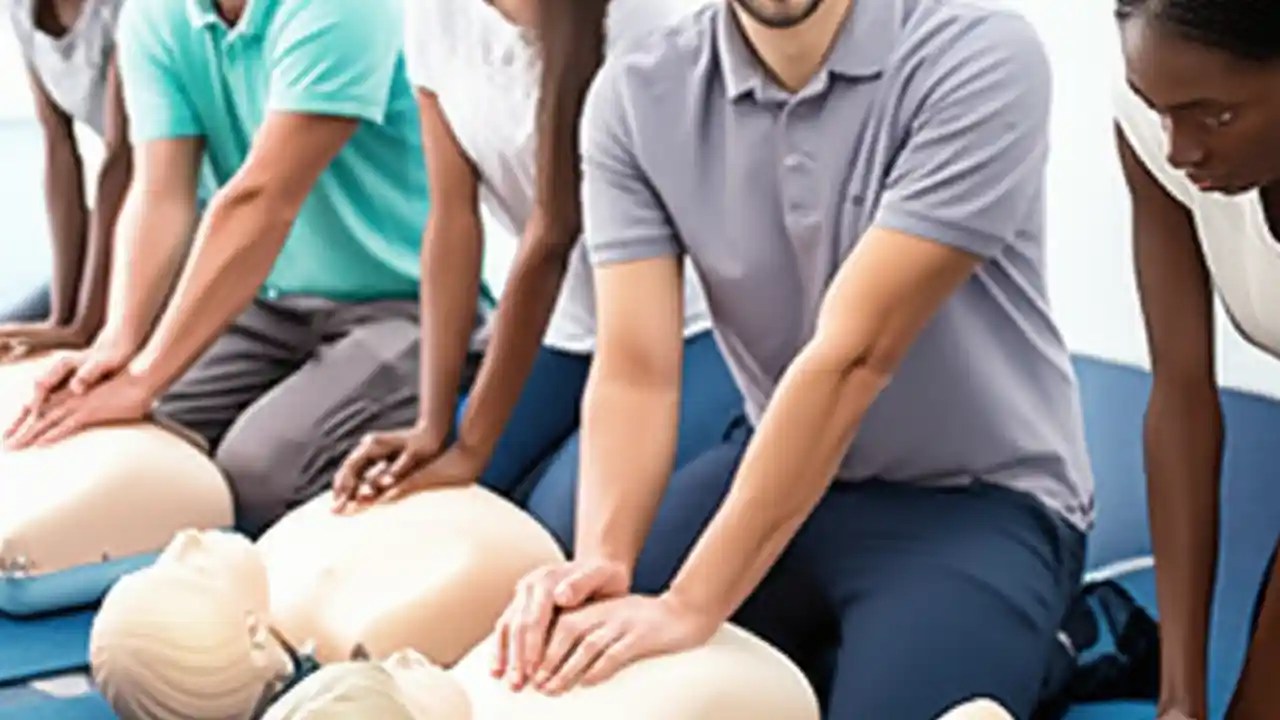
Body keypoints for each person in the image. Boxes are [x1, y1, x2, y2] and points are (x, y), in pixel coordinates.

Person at [488, 0, 1097, 718]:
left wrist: (690, 604)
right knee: (573, 673)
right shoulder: (636, 95)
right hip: (773, 466)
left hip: (976, 498)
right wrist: (600, 565)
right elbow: (636, 372)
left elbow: (854, 357)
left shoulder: (978, 55)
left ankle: (1059, 644)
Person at [2, 0, 446, 538]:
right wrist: (118, 343)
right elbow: (160, 195)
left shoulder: (342, 8)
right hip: (264, 303)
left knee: (256, 473)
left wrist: (146, 376)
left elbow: (263, 199)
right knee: (118, 437)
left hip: (404, 306)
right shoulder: (156, 17)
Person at [331, 0, 744, 562]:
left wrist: (472, 446)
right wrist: (432, 426)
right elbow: (452, 222)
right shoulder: (434, 13)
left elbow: (553, 231)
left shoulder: (645, 19)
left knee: (557, 536)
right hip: (567, 327)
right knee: (435, 513)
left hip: (695, 324)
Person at [1113, 2, 1280, 718]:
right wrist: (1179, 699)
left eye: (1216, 116)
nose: (1181, 149)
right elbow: (1181, 393)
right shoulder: (1158, 134)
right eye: (1161, 110)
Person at [0, 0, 131, 358]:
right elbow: (59, 148)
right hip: (120, 210)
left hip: (169, 210)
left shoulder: (124, 11)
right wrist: (59, 320)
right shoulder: (20, 10)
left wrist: (82, 326)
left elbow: (124, 158)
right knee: (13, 330)